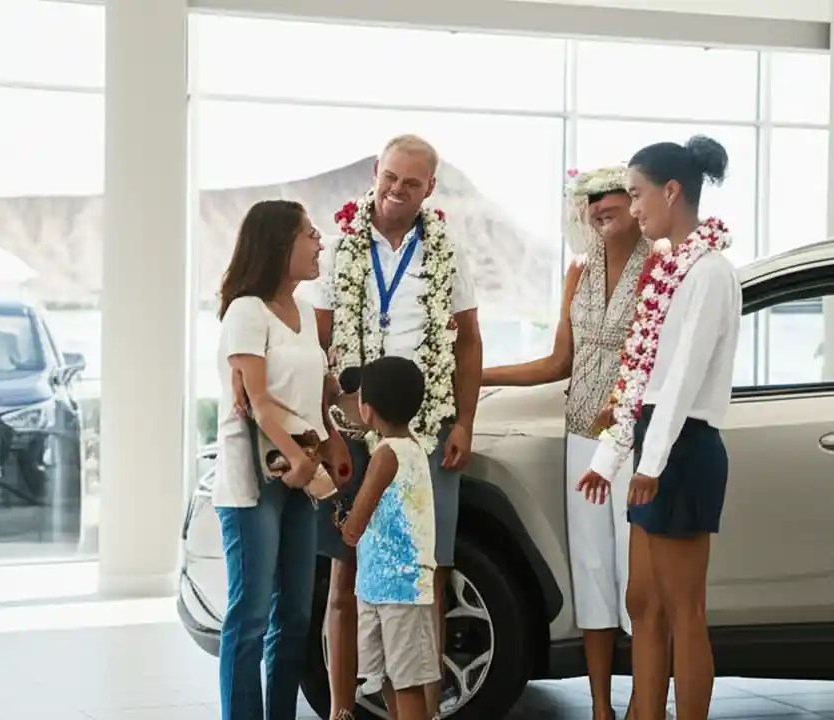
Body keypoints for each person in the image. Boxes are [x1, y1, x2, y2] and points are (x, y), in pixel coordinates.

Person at [301, 133, 482, 720]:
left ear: (430, 187)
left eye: (412, 183)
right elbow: (321, 337)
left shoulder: (448, 248)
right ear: (376, 172)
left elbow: (469, 340)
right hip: (356, 429)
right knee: (345, 575)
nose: (396, 192)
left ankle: (422, 707)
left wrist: (464, 423)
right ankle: (341, 707)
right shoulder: (339, 248)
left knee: (424, 572)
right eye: (390, 178)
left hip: (425, 431)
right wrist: (330, 420)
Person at [481, 165, 655, 720]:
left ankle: (647, 705)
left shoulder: (662, 268)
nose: (601, 221)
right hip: (581, 439)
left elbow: (667, 359)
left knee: (640, 581)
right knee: (593, 573)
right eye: (593, 213)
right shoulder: (578, 272)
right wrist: (481, 374)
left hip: (637, 441)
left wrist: (626, 402)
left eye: (611, 211)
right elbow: (560, 361)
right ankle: (601, 707)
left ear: (634, 205)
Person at [578, 136, 741, 720]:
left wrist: (649, 466)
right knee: (641, 603)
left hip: (683, 449)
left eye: (637, 192)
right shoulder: (672, 267)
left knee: (683, 610)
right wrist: (608, 460)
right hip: (655, 441)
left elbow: (680, 382)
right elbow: (643, 377)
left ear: (672, 191)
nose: (632, 204)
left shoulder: (711, 273)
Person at [214, 199, 350, 720]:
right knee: (248, 616)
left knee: (293, 614)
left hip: (302, 467)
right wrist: (299, 462)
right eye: (310, 234)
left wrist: (331, 441)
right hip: (256, 477)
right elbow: (259, 403)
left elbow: (311, 396)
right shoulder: (246, 310)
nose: (320, 244)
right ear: (279, 244)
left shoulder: (307, 315)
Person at [338, 356, 440, 720]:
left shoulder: (386, 455)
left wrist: (342, 519)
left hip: (397, 590)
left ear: (367, 410)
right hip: (385, 587)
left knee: (404, 682)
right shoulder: (414, 449)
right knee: (391, 678)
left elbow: (355, 525)